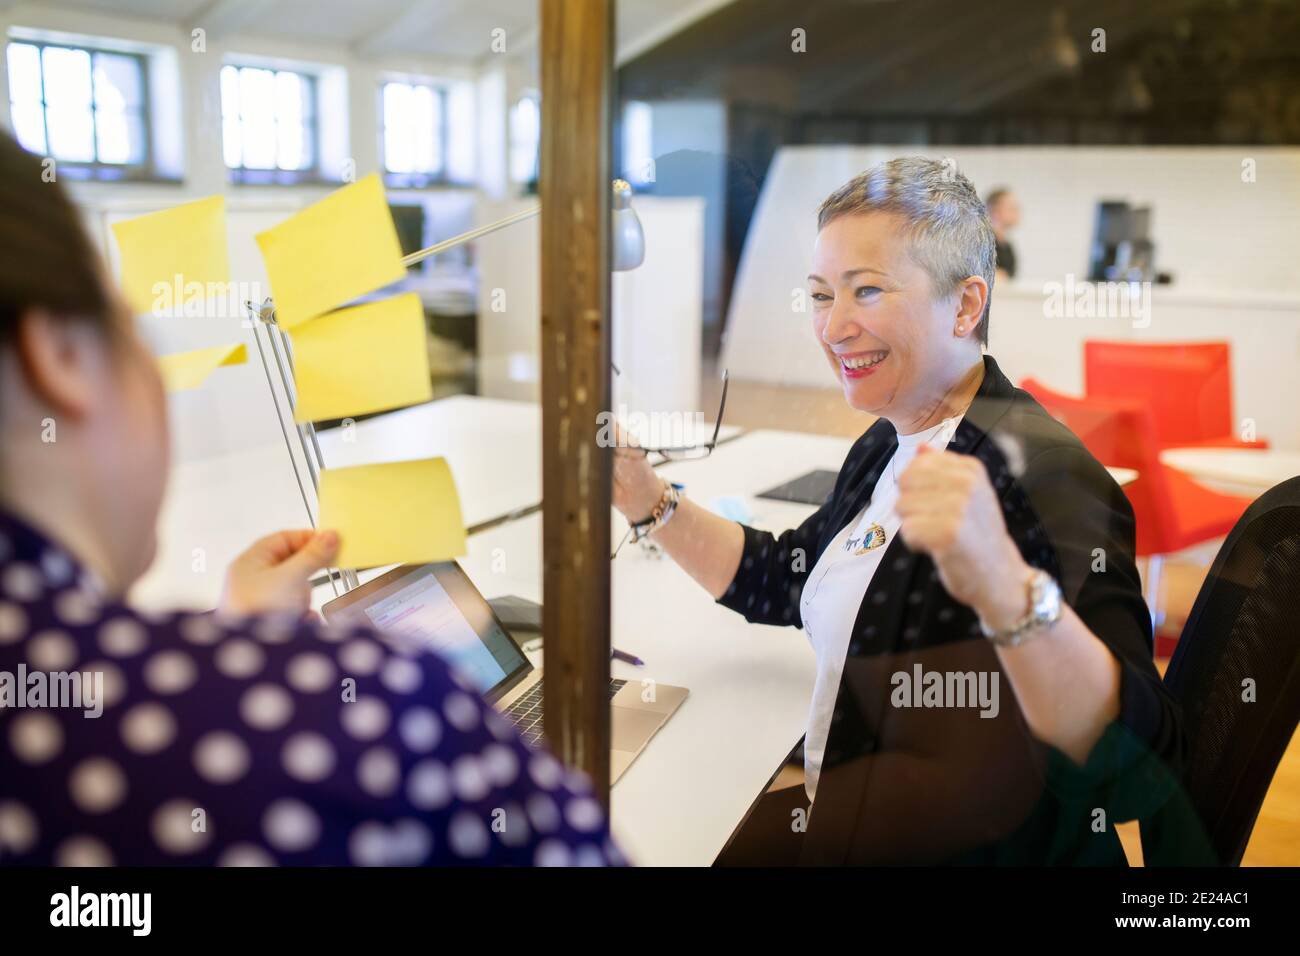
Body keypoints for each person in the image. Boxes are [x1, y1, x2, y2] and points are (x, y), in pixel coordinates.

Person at [0, 131, 619, 867]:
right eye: (133, 325)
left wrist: (231, 641)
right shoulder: (366, 712)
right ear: (61, 357)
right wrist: (241, 666)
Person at [615, 157, 1192, 864]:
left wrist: (1005, 586)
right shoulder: (887, 439)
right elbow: (790, 577)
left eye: (867, 291)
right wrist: (649, 499)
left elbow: (1139, 771)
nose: (833, 327)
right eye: (822, 295)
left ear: (966, 305)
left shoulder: (1048, 476)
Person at [985, 186, 1020, 280]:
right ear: (995, 210)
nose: (1017, 212)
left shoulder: (1008, 247)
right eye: (1012, 208)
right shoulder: (981, 242)